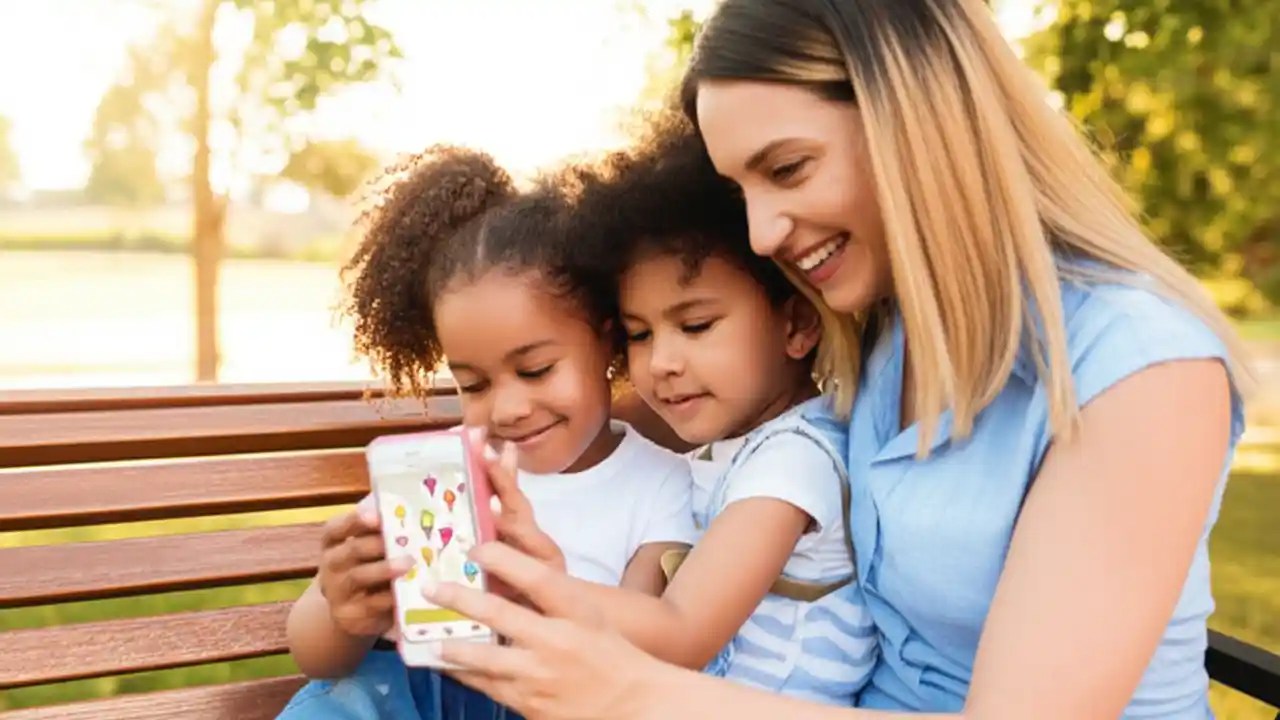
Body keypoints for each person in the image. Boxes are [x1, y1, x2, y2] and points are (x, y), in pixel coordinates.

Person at [420, 1, 1249, 718]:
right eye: (742, 191)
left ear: (920, 123)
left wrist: (635, 694)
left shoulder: (1142, 368)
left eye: (787, 169)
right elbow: (594, 417)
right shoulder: (880, 338)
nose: (761, 233)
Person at [276, 145, 697, 720]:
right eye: (473, 384)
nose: (508, 407)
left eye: (536, 370)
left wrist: (542, 596)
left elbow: (638, 664)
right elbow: (315, 655)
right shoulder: (440, 473)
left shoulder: (661, 486)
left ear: (607, 339)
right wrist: (339, 606)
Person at [483, 114, 877, 704]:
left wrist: (537, 588)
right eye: (639, 336)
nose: (660, 362)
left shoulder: (791, 463)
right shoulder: (740, 446)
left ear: (796, 324)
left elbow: (683, 630)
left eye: (695, 325)